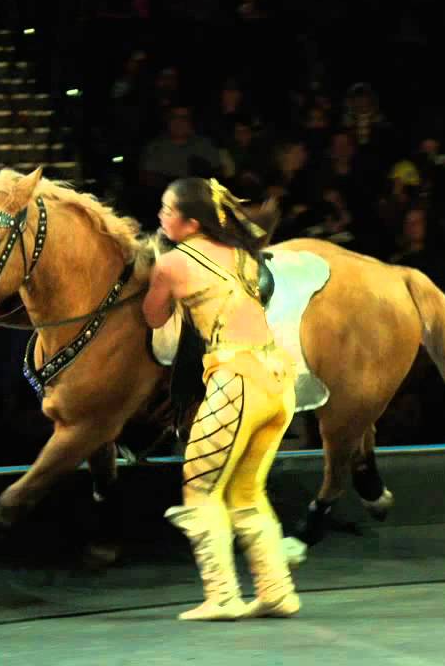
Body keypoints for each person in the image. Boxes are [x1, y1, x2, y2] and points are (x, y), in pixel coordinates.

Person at [142, 177, 299, 621]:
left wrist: (157, 265)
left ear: (190, 222)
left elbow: (153, 317)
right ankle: (276, 591)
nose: (160, 215)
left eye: (167, 210)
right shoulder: (243, 253)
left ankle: (223, 595)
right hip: (277, 380)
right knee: (247, 491)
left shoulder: (173, 262)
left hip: (237, 380)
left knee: (200, 487)